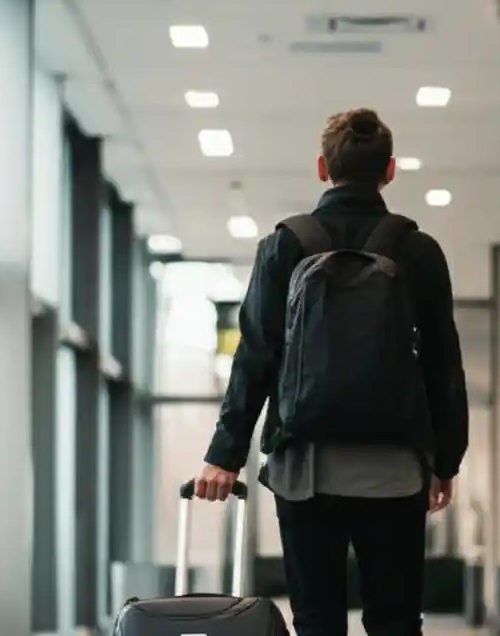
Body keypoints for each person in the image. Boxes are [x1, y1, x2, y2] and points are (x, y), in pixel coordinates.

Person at [194, 108, 469, 636]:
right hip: (396, 469)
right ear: (390, 170)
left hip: (305, 469)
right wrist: (446, 460)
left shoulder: (285, 246)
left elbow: (256, 355)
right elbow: (442, 362)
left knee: (317, 620)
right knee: (394, 621)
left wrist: (223, 456)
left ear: (323, 168)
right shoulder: (418, 250)